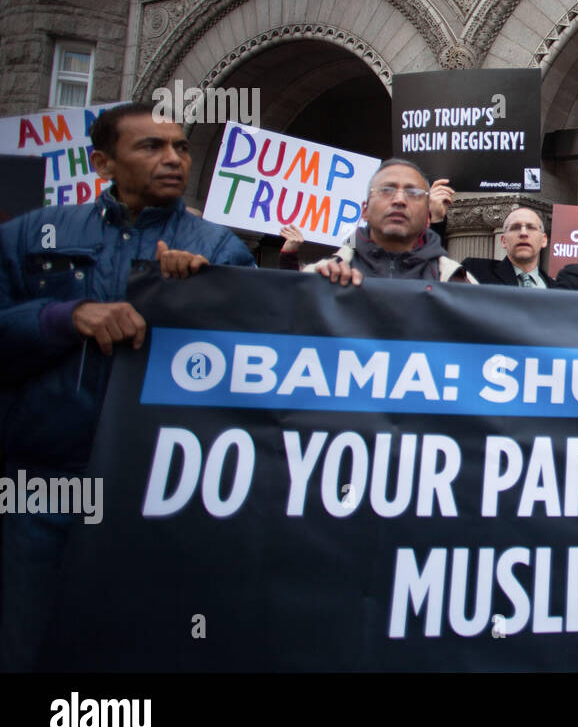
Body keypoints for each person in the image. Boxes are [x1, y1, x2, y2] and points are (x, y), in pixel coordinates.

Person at [0, 101, 256, 671]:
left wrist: (206, 295)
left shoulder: (218, 249)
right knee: (26, 643)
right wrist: (64, 318)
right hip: (43, 485)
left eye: (181, 148)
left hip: (157, 493)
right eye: (151, 147)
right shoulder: (28, 236)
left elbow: (254, 364)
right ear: (102, 162)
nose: (172, 159)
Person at [305, 159, 471, 285]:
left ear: (428, 218)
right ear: (365, 210)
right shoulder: (319, 278)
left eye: (413, 193)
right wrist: (317, 289)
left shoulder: (457, 281)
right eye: (386, 190)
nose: (399, 200)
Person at [461, 206, 555, 287]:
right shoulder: (475, 271)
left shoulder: (558, 289)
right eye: (515, 228)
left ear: (544, 240)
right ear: (503, 241)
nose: (523, 233)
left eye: (531, 227)